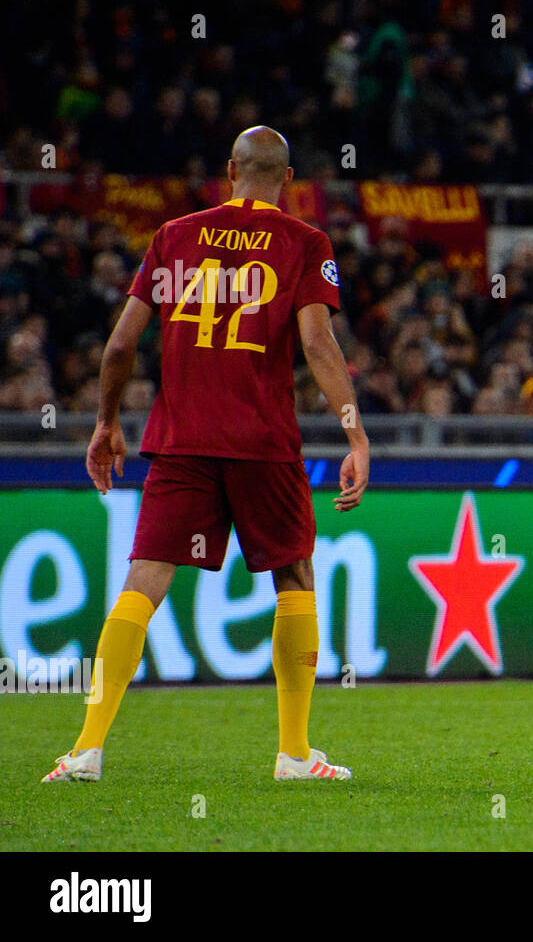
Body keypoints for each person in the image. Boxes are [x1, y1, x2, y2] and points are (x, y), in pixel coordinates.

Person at [43, 126, 370, 783]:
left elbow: (116, 348)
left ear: (230, 170)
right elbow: (317, 344)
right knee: (295, 578)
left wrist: (106, 422)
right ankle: (294, 754)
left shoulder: (173, 237)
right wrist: (355, 432)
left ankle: (85, 750)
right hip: (261, 439)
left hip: (182, 438)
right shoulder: (305, 243)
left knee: (144, 581)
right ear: (286, 178)